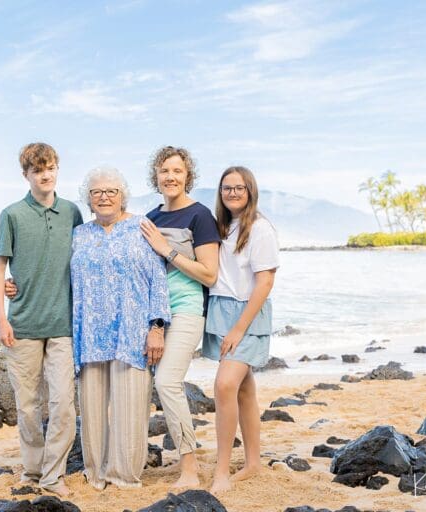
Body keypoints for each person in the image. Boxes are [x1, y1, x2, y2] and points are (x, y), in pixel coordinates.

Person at [0, 142, 83, 497]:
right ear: (26, 175)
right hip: (24, 324)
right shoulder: (12, 215)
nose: (45, 175)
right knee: (27, 406)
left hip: (63, 325)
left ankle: (53, 475)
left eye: (50, 168)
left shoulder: (72, 213)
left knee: (63, 403)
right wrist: (2, 318)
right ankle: (32, 470)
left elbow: (84, 261)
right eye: (37, 170)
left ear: (57, 169)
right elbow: (0, 268)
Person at [71, 166, 170, 490]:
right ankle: (96, 473)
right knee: (92, 410)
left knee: (131, 409)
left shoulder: (142, 226)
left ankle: (124, 476)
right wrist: (15, 284)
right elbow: (56, 276)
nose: (104, 197)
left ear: (122, 196)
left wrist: (156, 327)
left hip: (131, 332)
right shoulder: (79, 234)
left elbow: (159, 280)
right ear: (88, 199)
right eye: (97, 192)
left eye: (111, 191)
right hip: (89, 333)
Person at [139, 146, 220, 488]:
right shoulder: (151, 218)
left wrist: (166, 249)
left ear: (188, 176)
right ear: (155, 177)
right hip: (154, 315)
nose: (170, 177)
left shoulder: (199, 216)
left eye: (177, 171)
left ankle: (189, 467)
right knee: (142, 385)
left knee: (167, 382)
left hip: (187, 310)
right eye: (164, 171)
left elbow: (209, 274)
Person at [202, 166, 279, 494]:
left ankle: (221, 470)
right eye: (226, 188)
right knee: (244, 390)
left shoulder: (260, 229)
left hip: (245, 313)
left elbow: (265, 282)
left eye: (239, 188)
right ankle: (252, 463)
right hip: (220, 310)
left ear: (250, 191)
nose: (232, 193)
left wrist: (238, 329)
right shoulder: (222, 226)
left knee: (224, 386)